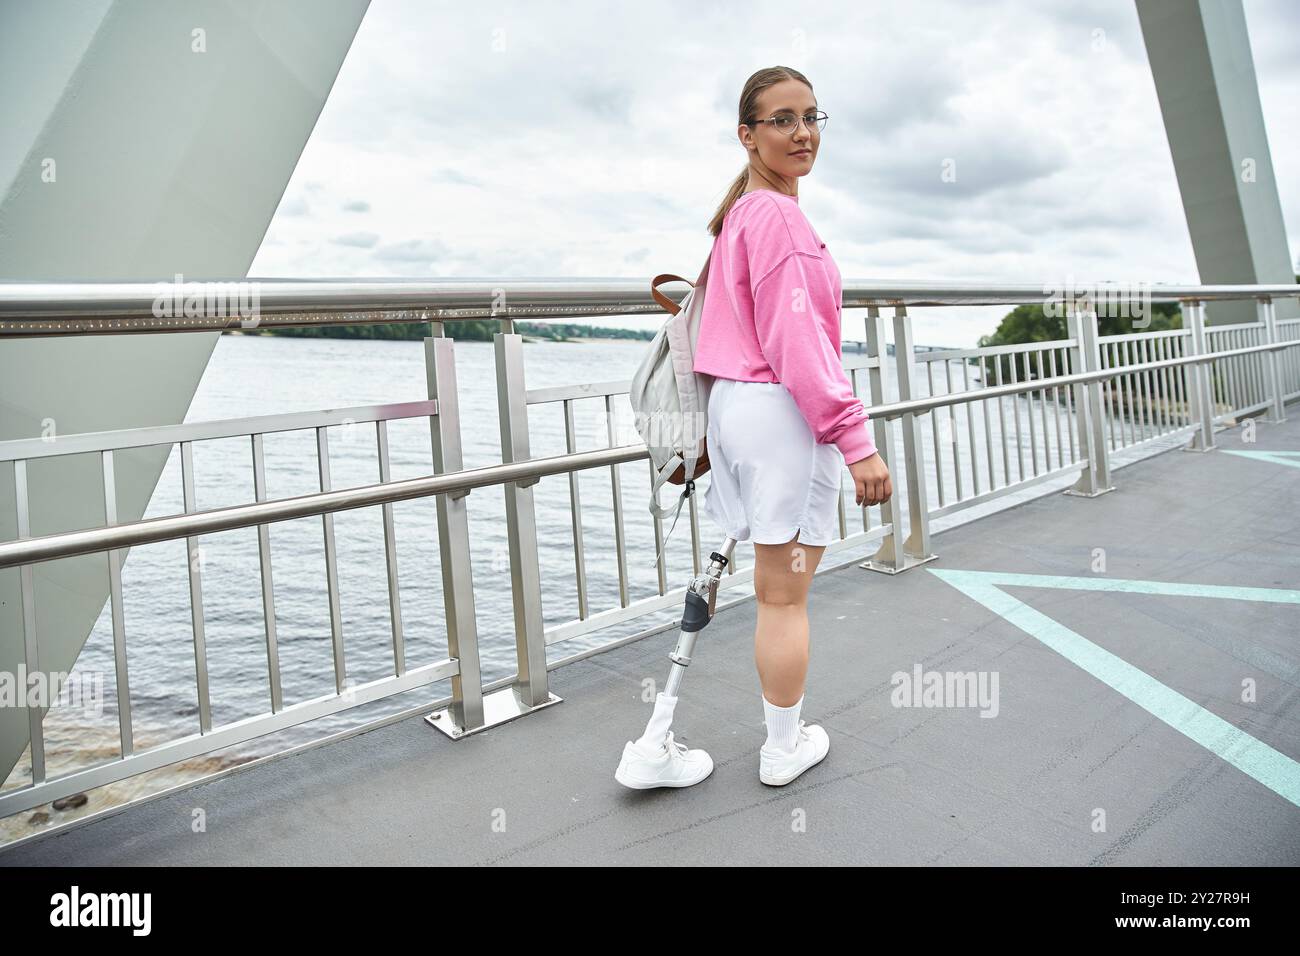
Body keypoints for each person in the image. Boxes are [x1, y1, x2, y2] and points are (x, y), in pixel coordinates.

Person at [616, 66, 892, 790]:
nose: (802, 132)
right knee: (783, 596)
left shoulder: (740, 217)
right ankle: (782, 747)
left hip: (734, 413)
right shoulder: (777, 219)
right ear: (748, 134)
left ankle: (664, 744)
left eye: (811, 117)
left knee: (766, 588)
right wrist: (856, 442)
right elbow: (800, 348)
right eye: (781, 119)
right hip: (781, 415)